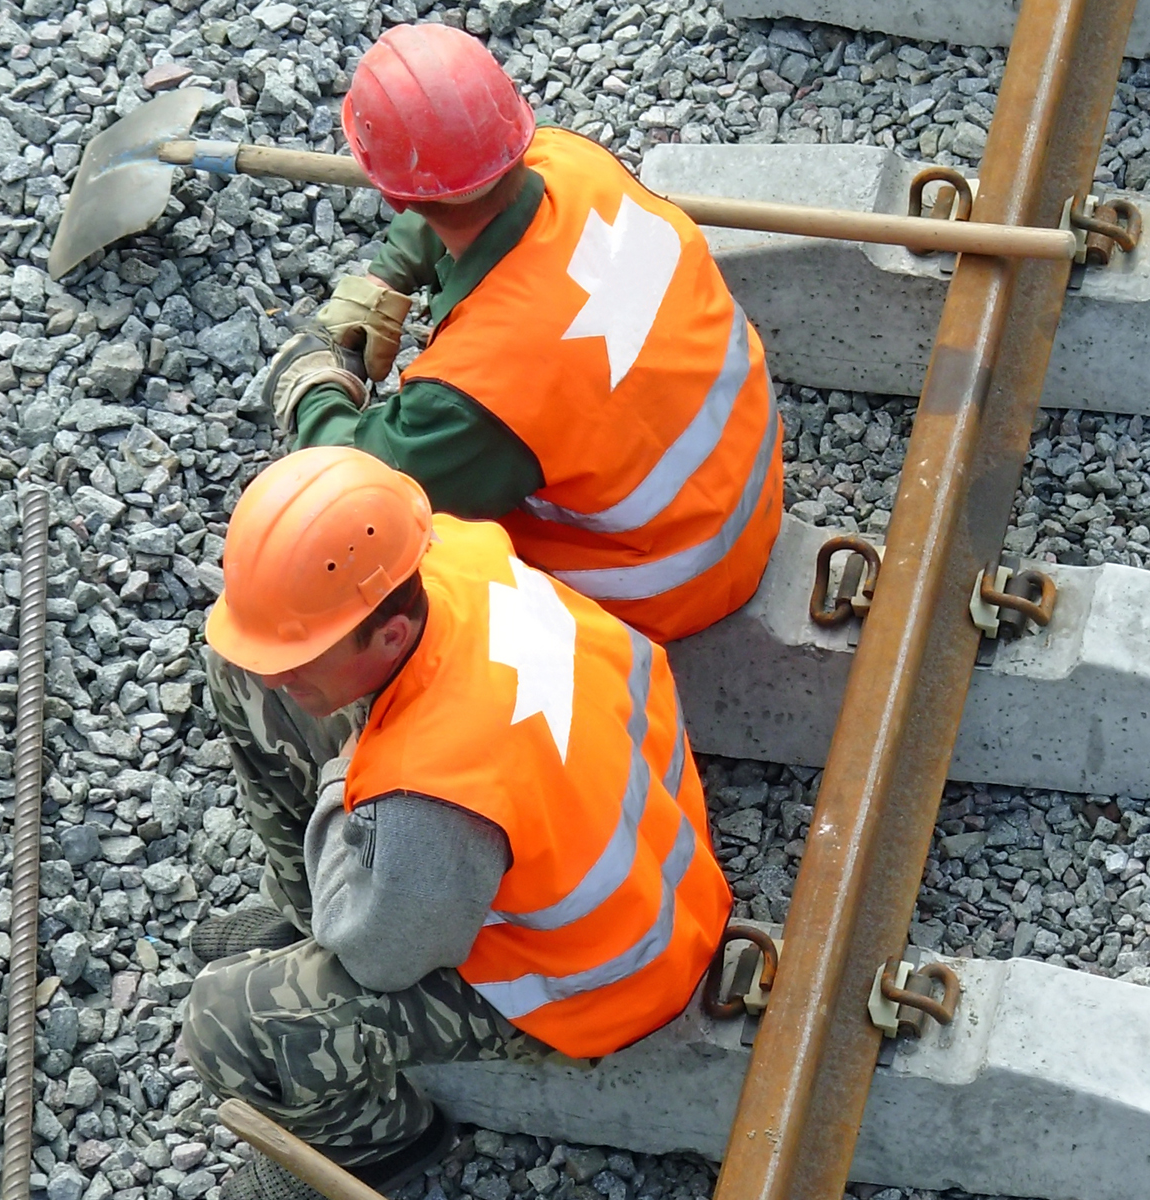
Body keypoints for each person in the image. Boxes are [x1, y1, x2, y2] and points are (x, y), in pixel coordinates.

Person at [181, 447, 732, 1200]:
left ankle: (373, 1144)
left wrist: (350, 769)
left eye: (304, 658)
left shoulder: (433, 798)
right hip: (623, 851)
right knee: (239, 672)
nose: (280, 673)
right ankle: (299, 915)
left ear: (389, 637)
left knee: (228, 1023)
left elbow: (379, 959)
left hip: (599, 980)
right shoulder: (447, 556)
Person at [262, 22, 784, 646]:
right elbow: (470, 194)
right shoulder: (574, 161)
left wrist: (314, 388)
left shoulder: (481, 387)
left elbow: (363, 486)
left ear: (392, 196)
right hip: (746, 497)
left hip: (663, 588)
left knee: (376, 586)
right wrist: (386, 278)